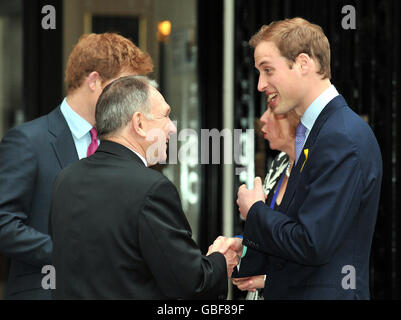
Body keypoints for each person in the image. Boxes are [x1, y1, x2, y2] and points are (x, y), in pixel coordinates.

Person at [49, 76, 239, 299]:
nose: (172, 129)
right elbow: (189, 283)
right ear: (139, 123)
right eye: (166, 116)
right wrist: (219, 260)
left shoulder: (65, 178)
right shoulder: (152, 188)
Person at [233, 17, 382, 299]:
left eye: (268, 70)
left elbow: (311, 243)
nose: (260, 85)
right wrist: (243, 251)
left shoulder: (340, 136)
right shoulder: (320, 132)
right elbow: (299, 237)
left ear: (303, 64)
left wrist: (255, 211)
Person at [0, 33, 153, 299]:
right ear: (94, 81)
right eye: (123, 85)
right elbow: (4, 224)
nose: (131, 98)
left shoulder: (123, 144)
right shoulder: (28, 141)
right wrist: (70, 253)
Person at [232, 109, 299, 299]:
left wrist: (269, 279)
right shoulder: (280, 163)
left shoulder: (314, 169)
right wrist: (241, 246)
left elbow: (310, 245)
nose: (262, 118)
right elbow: (267, 234)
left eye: (273, 110)